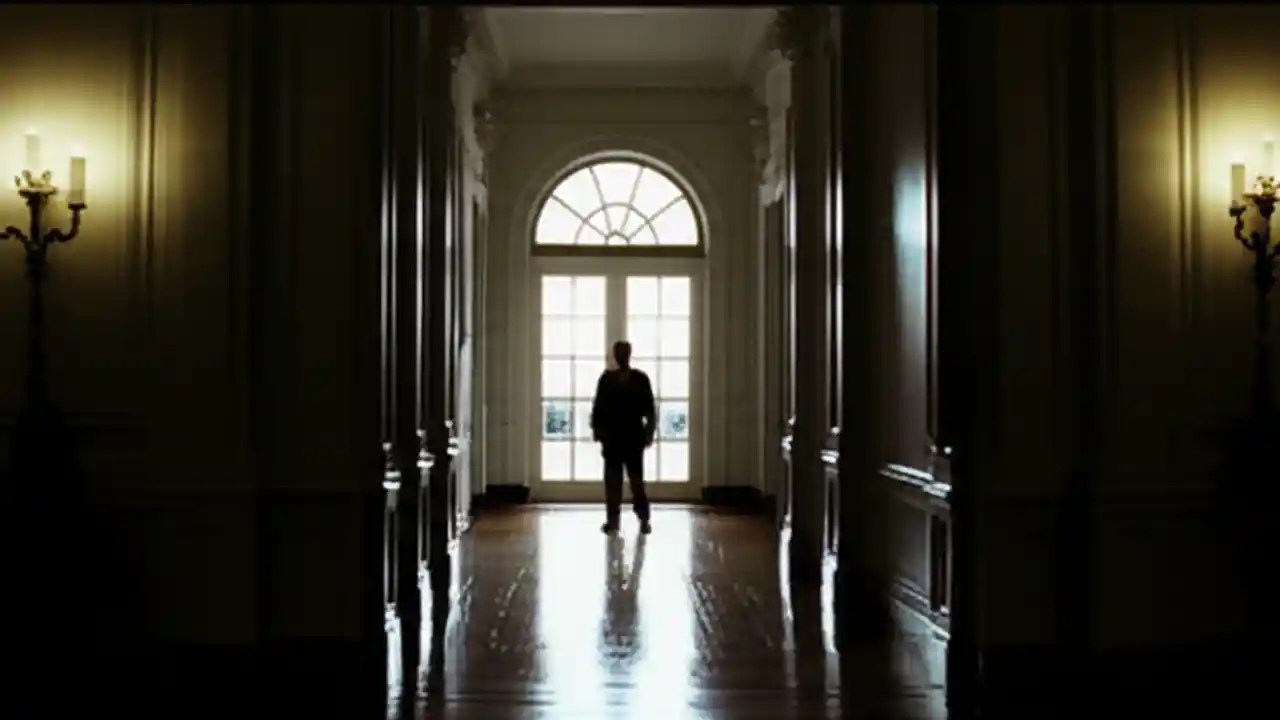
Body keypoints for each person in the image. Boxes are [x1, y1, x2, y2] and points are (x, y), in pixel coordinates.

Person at [590, 340, 655, 535]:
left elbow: (650, 409)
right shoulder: (613, 379)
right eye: (619, 352)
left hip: (627, 438)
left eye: (623, 352)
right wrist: (598, 431)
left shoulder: (626, 379)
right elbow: (598, 409)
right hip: (617, 438)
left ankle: (640, 519)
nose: (621, 356)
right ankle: (617, 521)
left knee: (634, 482)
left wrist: (649, 432)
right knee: (615, 482)